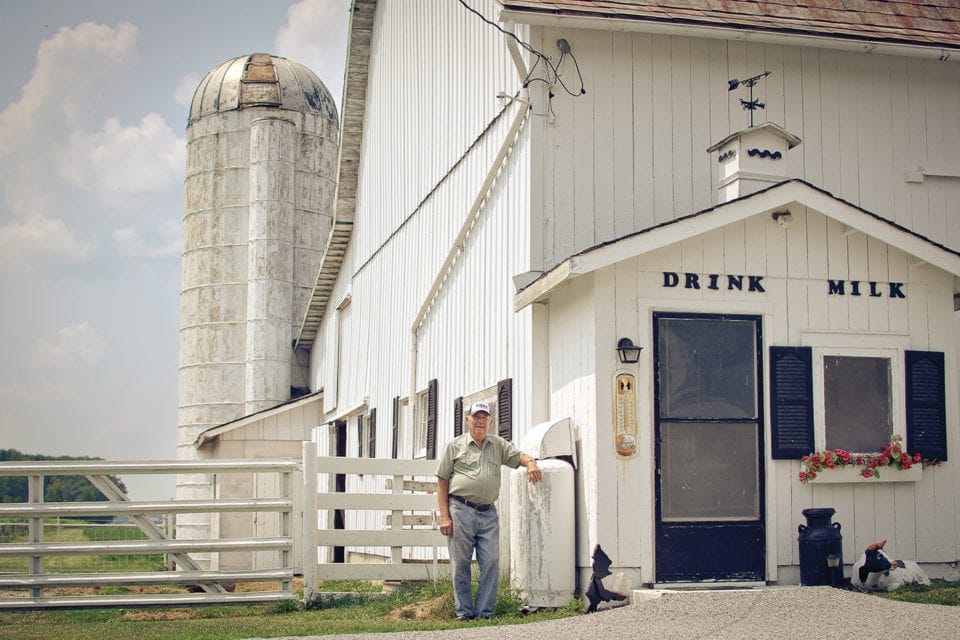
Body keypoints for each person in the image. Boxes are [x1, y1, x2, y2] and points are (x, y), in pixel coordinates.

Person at [436, 401, 542, 620]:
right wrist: (444, 515)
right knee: (461, 563)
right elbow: (442, 481)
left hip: (488, 513)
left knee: (492, 561)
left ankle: (485, 613)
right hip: (461, 509)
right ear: (468, 420)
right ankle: (464, 612)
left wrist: (531, 462)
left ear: (490, 421)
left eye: (484, 418)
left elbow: (518, 456)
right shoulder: (454, 446)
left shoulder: (498, 445)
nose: (480, 422)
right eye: (476, 417)